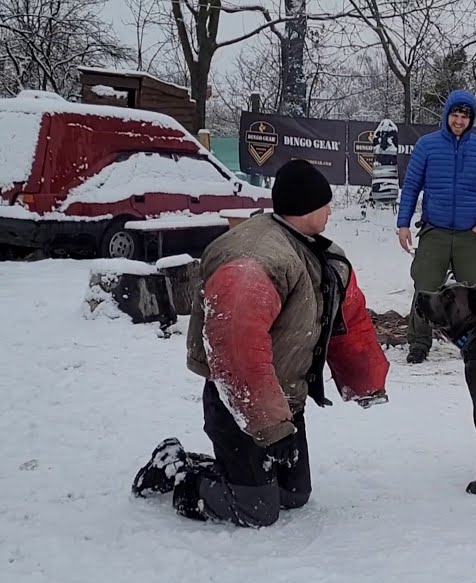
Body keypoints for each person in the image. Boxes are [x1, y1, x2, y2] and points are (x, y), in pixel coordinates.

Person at [132, 159, 391, 528]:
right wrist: (270, 429)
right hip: (238, 401)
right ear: (304, 208)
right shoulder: (254, 261)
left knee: (295, 496)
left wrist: (365, 381)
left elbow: (347, 321)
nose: (332, 210)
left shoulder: (320, 252)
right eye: (325, 203)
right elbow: (236, 350)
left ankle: (235, 470)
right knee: (256, 510)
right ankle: (175, 470)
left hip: (283, 399)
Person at [397, 88, 476, 364]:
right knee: (425, 286)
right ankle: (419, 342)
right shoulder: (427, 146)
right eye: (455, 114)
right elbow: (411, 187)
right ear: (446, 115)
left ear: (471, 119)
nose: (459, 120)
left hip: (469, 234)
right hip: (436, 230)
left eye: (464, 116)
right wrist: (403, 224)